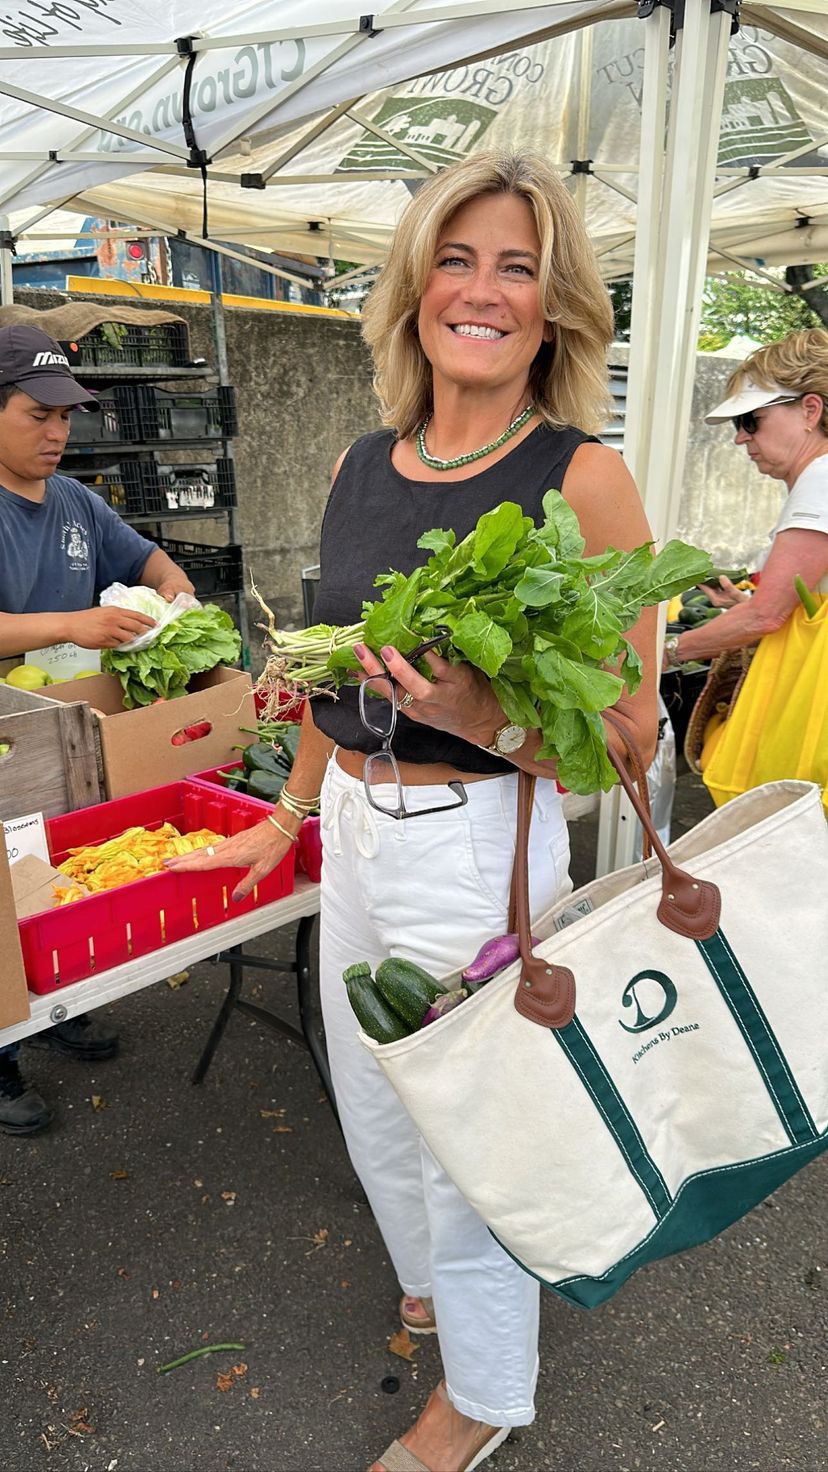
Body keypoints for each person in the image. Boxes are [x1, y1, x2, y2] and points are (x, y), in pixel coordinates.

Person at [166, 151, 659, 1472]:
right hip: (365, 840)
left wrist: (466, 713)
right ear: (413, 286)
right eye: (458, 257)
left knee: (470, 1128)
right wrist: (292, 811)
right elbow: (346, 677)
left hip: (482, 849)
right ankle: (443, 1292)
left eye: (519, 268)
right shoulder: (357, 461)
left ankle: (485, 1395)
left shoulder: (584, 478)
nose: (483, 291)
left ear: (553, 309)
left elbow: (627, 740)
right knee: (380, 1102)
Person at [0, 323, 195, 1136]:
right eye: (36, 414)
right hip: (9, 731)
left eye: (65, 416)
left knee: (56, 859)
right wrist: (73, 623)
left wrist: (175, 599)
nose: (56, 432)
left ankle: (55, 1006)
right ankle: (3, 1050)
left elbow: (151, 561)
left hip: (74, 729)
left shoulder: (78, 502)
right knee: (4, 880)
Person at [663, 328, 828, 672]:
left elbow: (766, 616)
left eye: (751, 420)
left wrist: (666, 654)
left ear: (811, 411)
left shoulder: (821, 477)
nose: (740, 437)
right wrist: (743, 603)